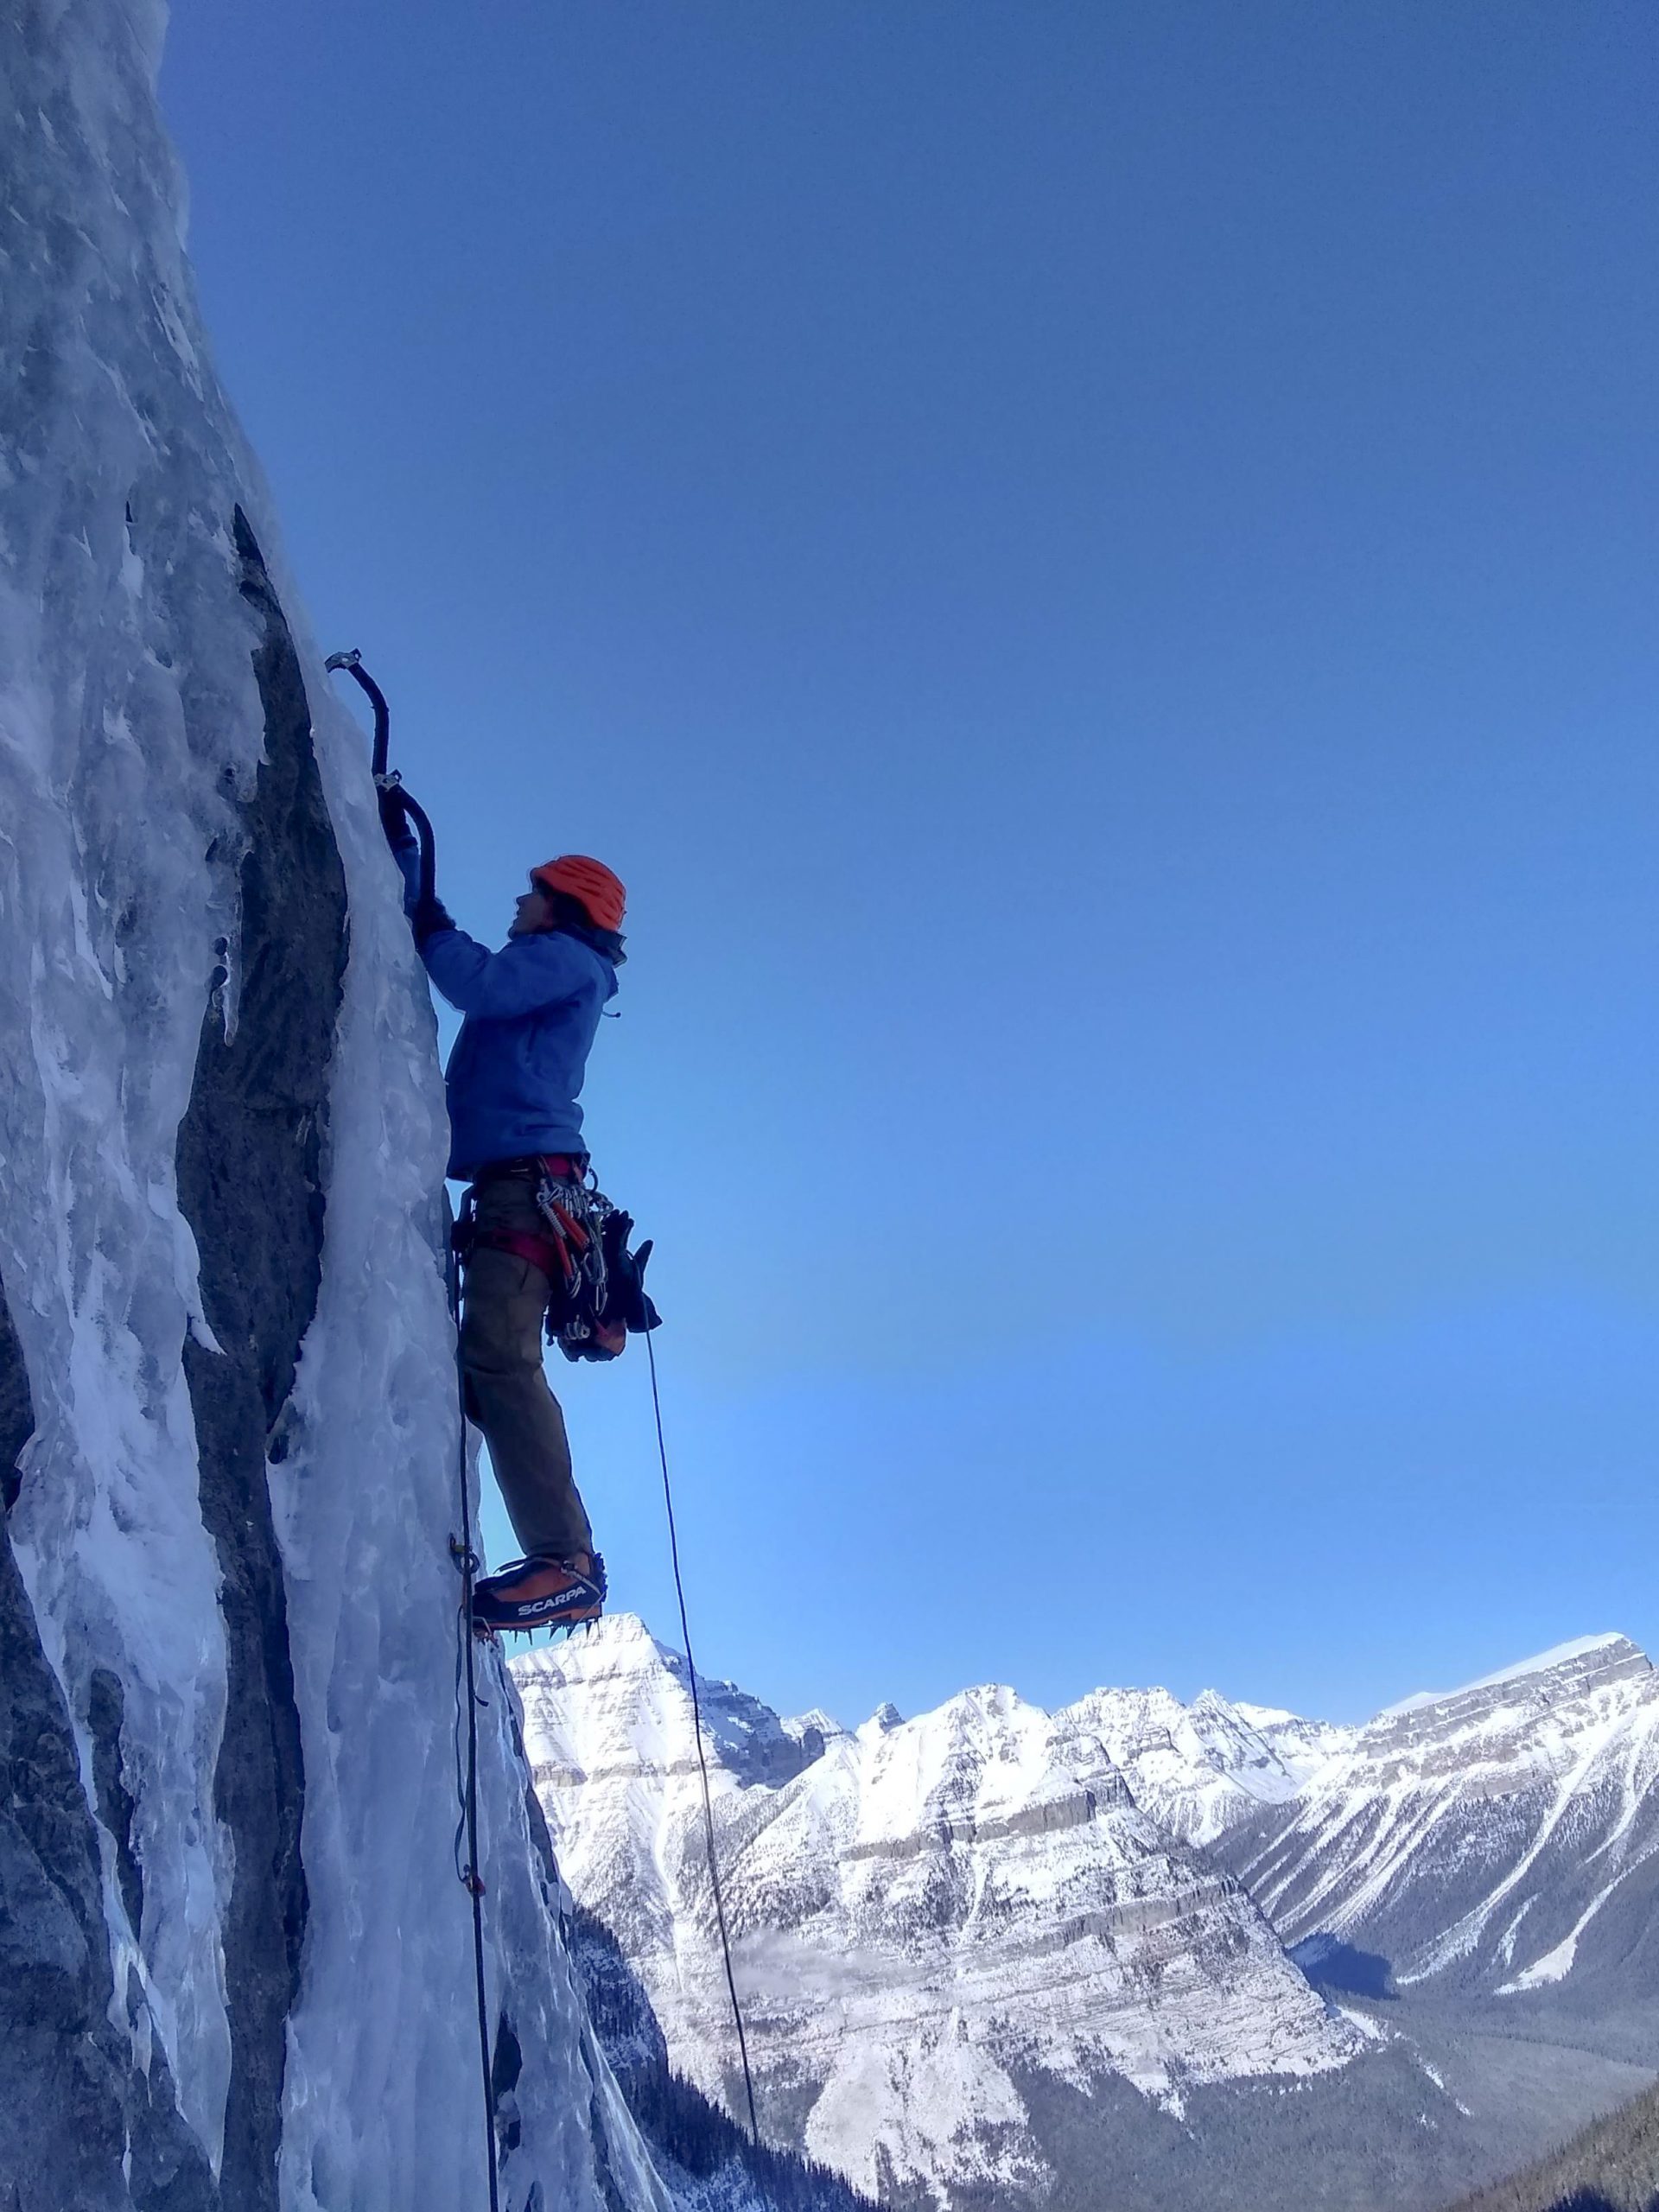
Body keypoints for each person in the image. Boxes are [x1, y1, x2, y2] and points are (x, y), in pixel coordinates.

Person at [386, 799, 626, 1633]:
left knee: (499, 1357)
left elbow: (477, 987)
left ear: (564, 908)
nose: (519, 904)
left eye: (532, 893)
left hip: (526, 1186)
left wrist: (427, 913)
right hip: (520, 1185)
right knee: (485, 1363)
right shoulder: (564, 963)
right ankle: (559, 1553)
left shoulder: (564, 959)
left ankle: (566, 1559)